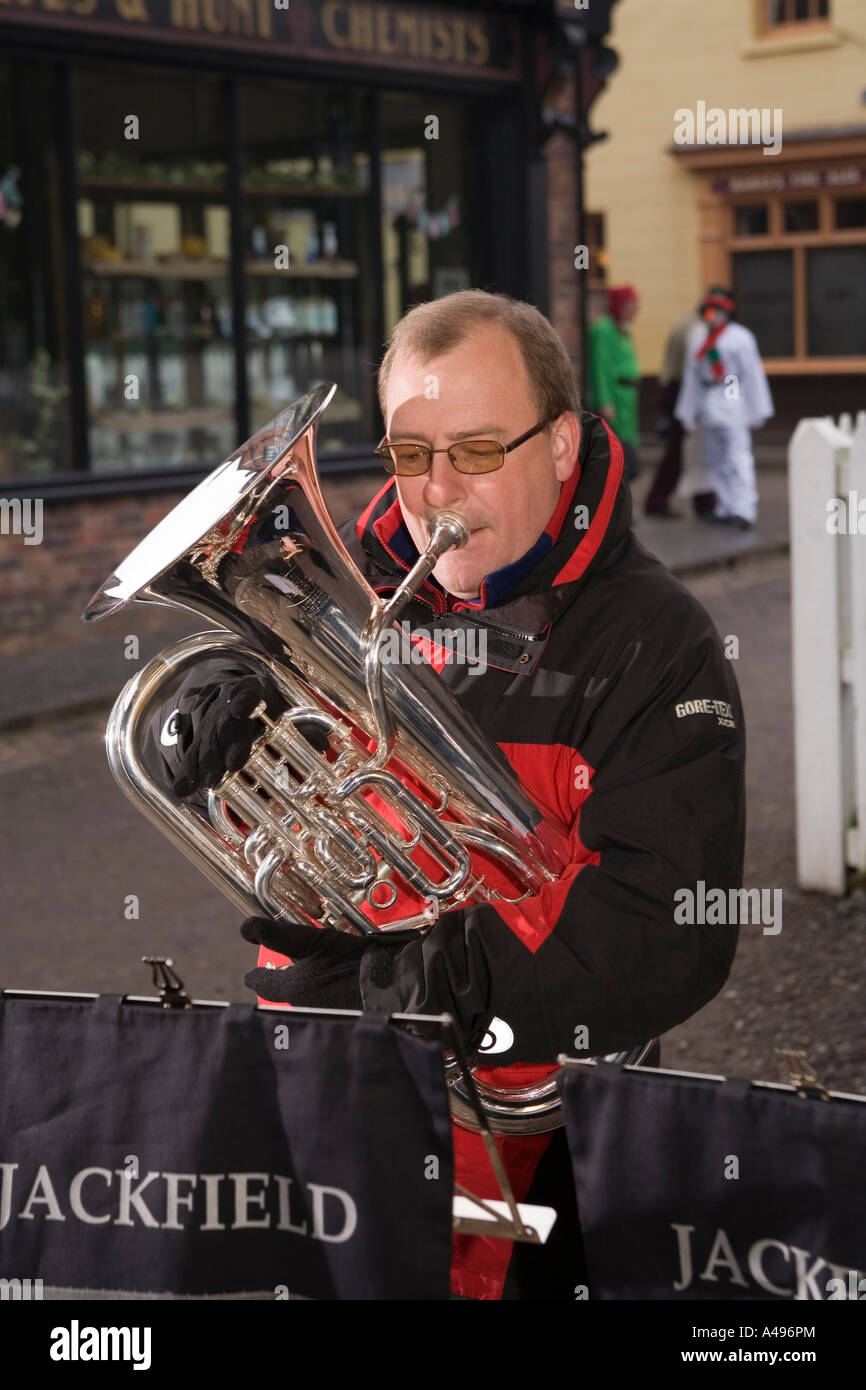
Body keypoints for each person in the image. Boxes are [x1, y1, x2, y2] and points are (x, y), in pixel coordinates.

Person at [144, 290, 745, 1300]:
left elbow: (666, 927)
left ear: (559, 445)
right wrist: (209, 747)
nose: (434, 490)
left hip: (536, 1133)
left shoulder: (658, 641)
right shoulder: (341, 597)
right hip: (332, 1088)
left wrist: (419, 992)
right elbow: (298, 834)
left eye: (474, 449)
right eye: (407, 452)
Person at [674, 287, 774, 530]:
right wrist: (687, 412)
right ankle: (726, 506)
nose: (713, 315)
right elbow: (692, 377)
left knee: (737, 456)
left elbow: (752, 375)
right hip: (708, 398)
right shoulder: (698, 339)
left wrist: (756, 409)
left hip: (731, 391)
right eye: (710, 310)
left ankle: (744, 508)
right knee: (714, 459)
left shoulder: (740, 337)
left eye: (718, 310)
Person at [643, 308, 711, 519]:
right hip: (683, 393)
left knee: (684, 450)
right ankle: (658, 501)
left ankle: (703, 501)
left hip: (675, 390)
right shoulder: (698, 330)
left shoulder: (686, 324)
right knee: (683, 450)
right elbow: (700, 368)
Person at [587, 285, 642, 481]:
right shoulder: (604, 330)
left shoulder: (623, 329)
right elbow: (601, 367)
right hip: (615, 398)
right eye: (632, 304)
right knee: (621, 457)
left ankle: (622, 505)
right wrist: (605, 401)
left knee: (626, 451)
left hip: (627, 398)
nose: (636, 309)